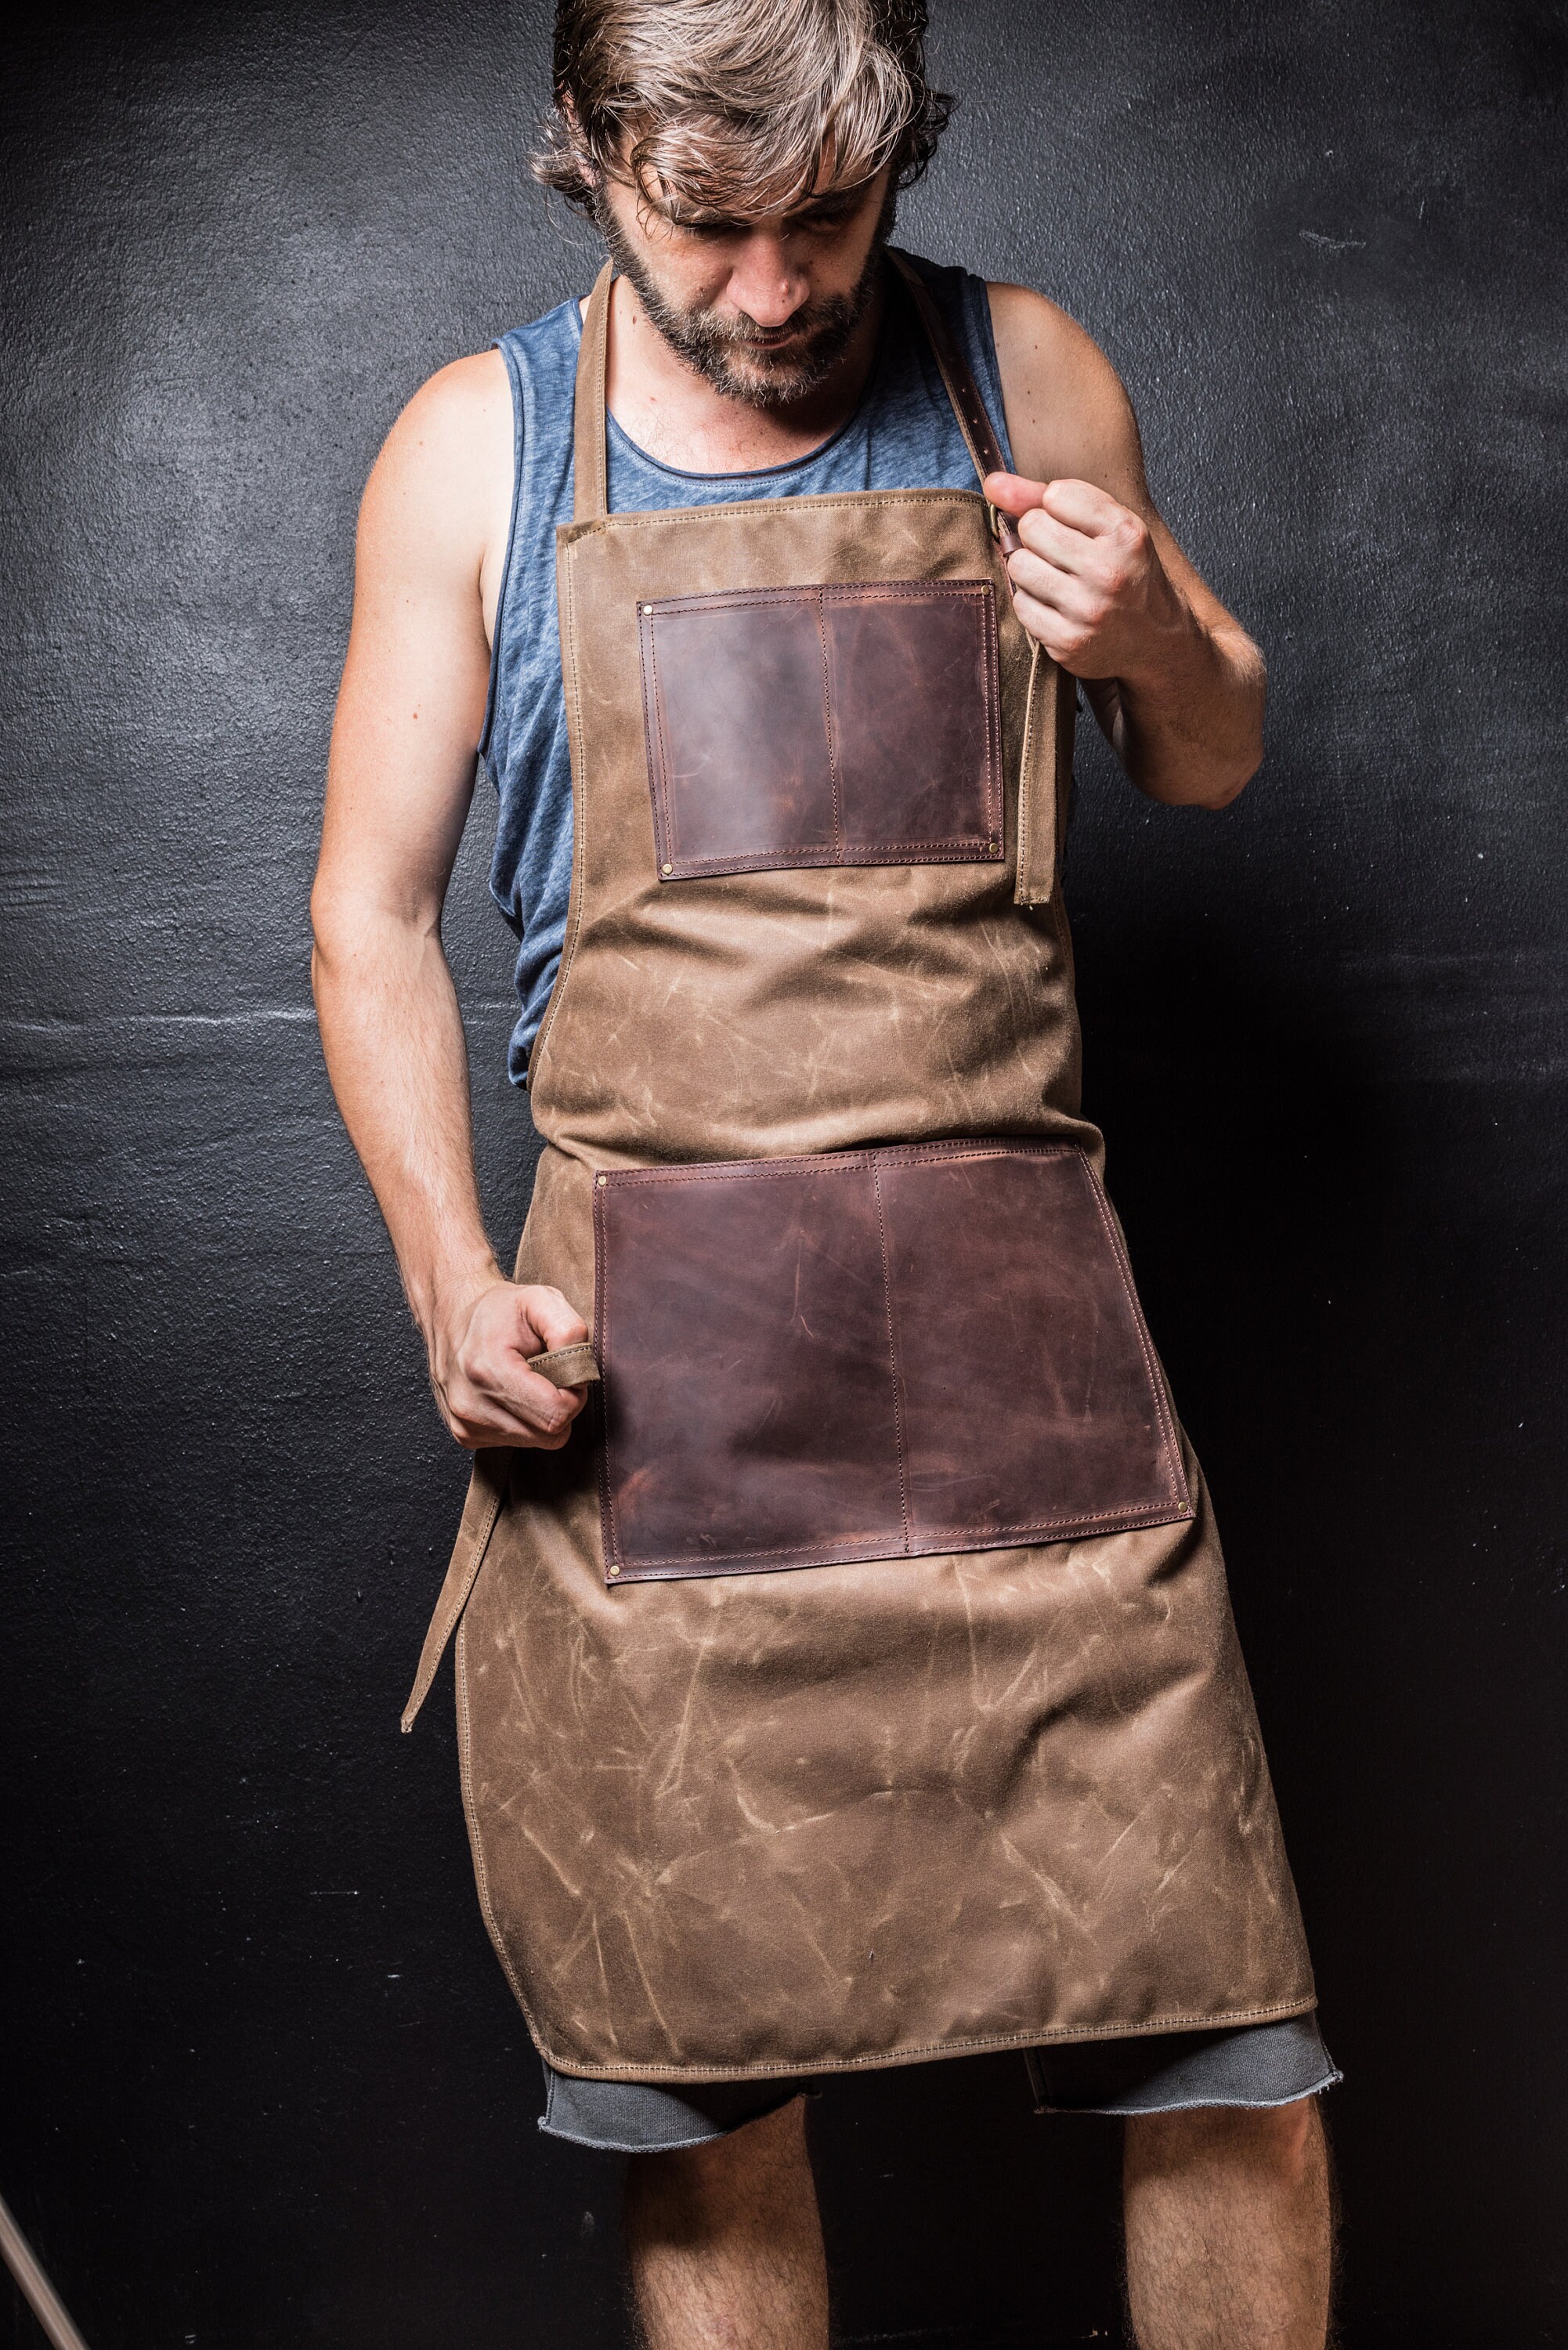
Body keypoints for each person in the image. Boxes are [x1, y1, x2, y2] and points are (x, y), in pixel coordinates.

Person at [311, 3, 1339, 2341]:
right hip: (660, 1391)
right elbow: (364, 910)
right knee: (704, 2081)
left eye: (828, 223)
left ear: (901, 165)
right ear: (587, 154)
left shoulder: (1021, 372)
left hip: (1025, 1363)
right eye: (707, 223)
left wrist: (1159, 629)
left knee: (1224, 2051)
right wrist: (455, 1294)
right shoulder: (486, 449)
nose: (774, 289)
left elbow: (1198, 756)